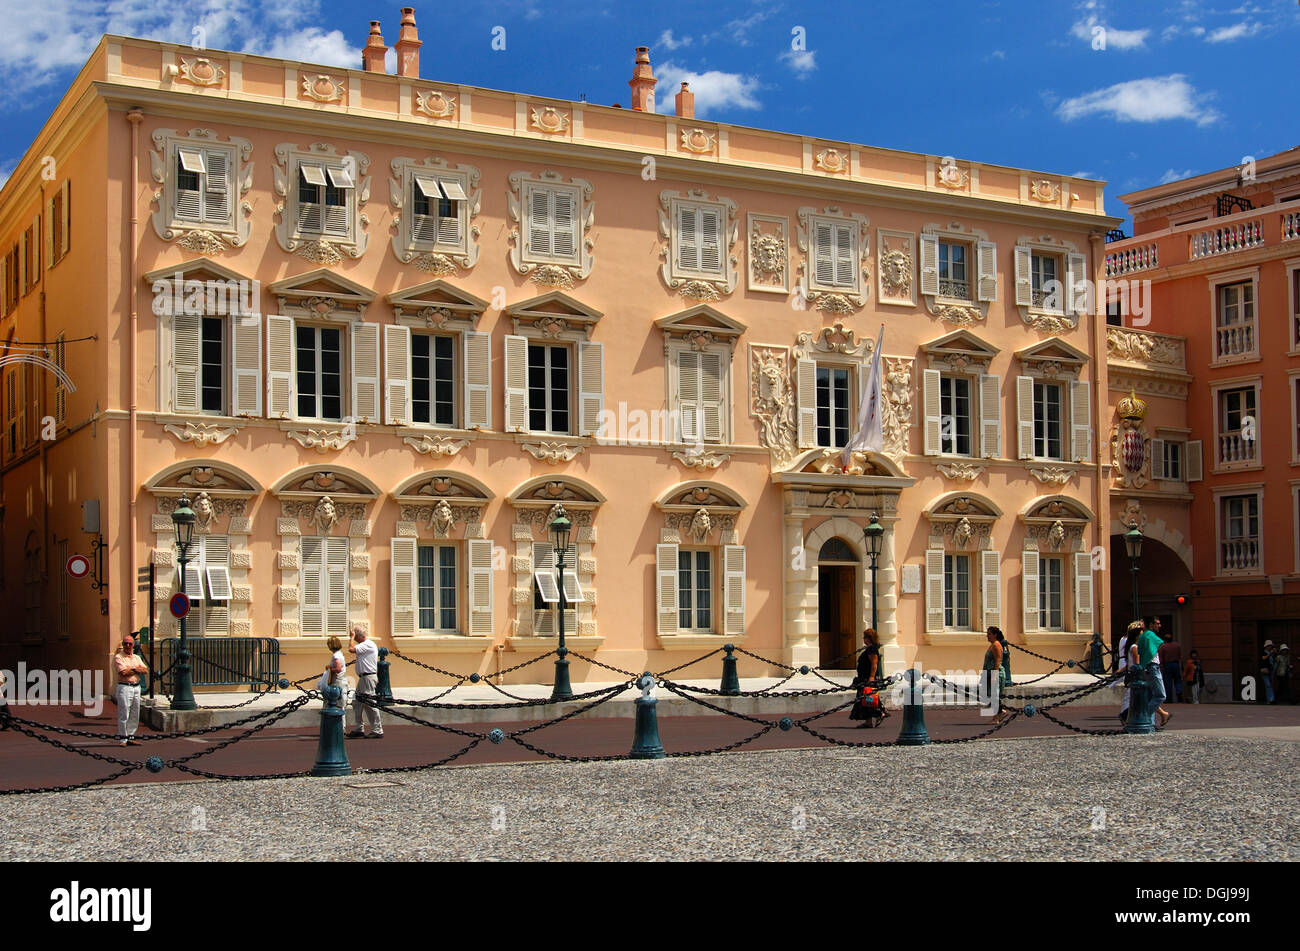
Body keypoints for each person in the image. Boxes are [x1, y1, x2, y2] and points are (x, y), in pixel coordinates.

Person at [346, 624, 383, 738]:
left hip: (368, 678)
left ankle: (377, 730)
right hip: (364, 678)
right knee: (357, 702)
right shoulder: (366, 645)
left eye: (355, 637)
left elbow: (351, 649)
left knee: (370, 704)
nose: (354, 639)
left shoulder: (367, 644)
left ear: (358, 636)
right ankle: (359, 728)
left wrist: (351, 637)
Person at [113, 634, 149, 746]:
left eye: (130, 643)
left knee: (135, 713)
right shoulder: (118, 657)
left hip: (136, 687)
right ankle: (123, 738)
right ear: (123, 645)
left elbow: (145, 670)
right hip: (124, 687)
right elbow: (123, 672)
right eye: (125, 643)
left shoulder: (137, 657)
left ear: (133, 645)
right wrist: (136, 669)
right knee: (124, 713)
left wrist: (132, 669)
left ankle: (131, 736)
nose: (128, 645)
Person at [849, 628, 888, 726]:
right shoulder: (870, 648)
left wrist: (871, 677)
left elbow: (874, 663)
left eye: (865, 637)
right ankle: (869, 721)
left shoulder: (872, 649)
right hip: (864, 678)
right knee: (867, 699)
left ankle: (880, 714)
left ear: (869, 638)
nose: (863, 639)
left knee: (868, 698)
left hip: (867, 678)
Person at [1139, 616, 1171, 728]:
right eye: (1157, 623)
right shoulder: (1150, 635)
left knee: (1150, 696)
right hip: (1152, 667)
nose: (1159, 625)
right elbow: (1160, 645)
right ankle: (1143, 717)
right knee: (1161, 695)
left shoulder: (1142, 636)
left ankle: (1150, 723)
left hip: (1145, 668)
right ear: (1151, 625)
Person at [1117, 621, 1140, 724]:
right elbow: (1136, 663)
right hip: (1132, 674)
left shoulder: (1125, 641)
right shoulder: (1133, 647)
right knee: (1131, 695)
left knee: (1129, 696)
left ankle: (1126, 715)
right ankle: (1125, 715)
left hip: (1129, 672)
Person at [983, 628, 1006, 724]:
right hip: (989, 672)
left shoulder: (996, 645)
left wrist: (994, 675)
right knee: (991, 695)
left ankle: (997, 717)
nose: (987, 636)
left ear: (995, 635)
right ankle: (999, 714)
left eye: (989, 634)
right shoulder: (992, 645)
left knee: (994, 695)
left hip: (995, 673)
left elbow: (997, 660)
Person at [1158, 629, 1183, 703]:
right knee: (1177, 680)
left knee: (1168, 682)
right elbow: (1180, 656)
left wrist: (1161, 666)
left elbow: (1161, 658)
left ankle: (1169, 699)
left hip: (1168, 665)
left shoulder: (1163, 647)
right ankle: (1179, 694)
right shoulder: (1177, 645)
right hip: (1176, 664)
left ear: (1165, 639)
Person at [1259, 640, 1277, 704]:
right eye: (1269, 646)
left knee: (1269, 685)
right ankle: (1271, 699)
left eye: (1271, 646)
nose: (1270, 647)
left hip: (1271, 670)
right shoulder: (1263, 652)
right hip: (1265, 670)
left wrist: (1274, 653)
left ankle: (1268, 700)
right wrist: (1270, 654)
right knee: (1268, 685)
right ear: (1266, 646)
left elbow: (1274, 661)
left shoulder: (1272, 653)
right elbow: (1263, 658)